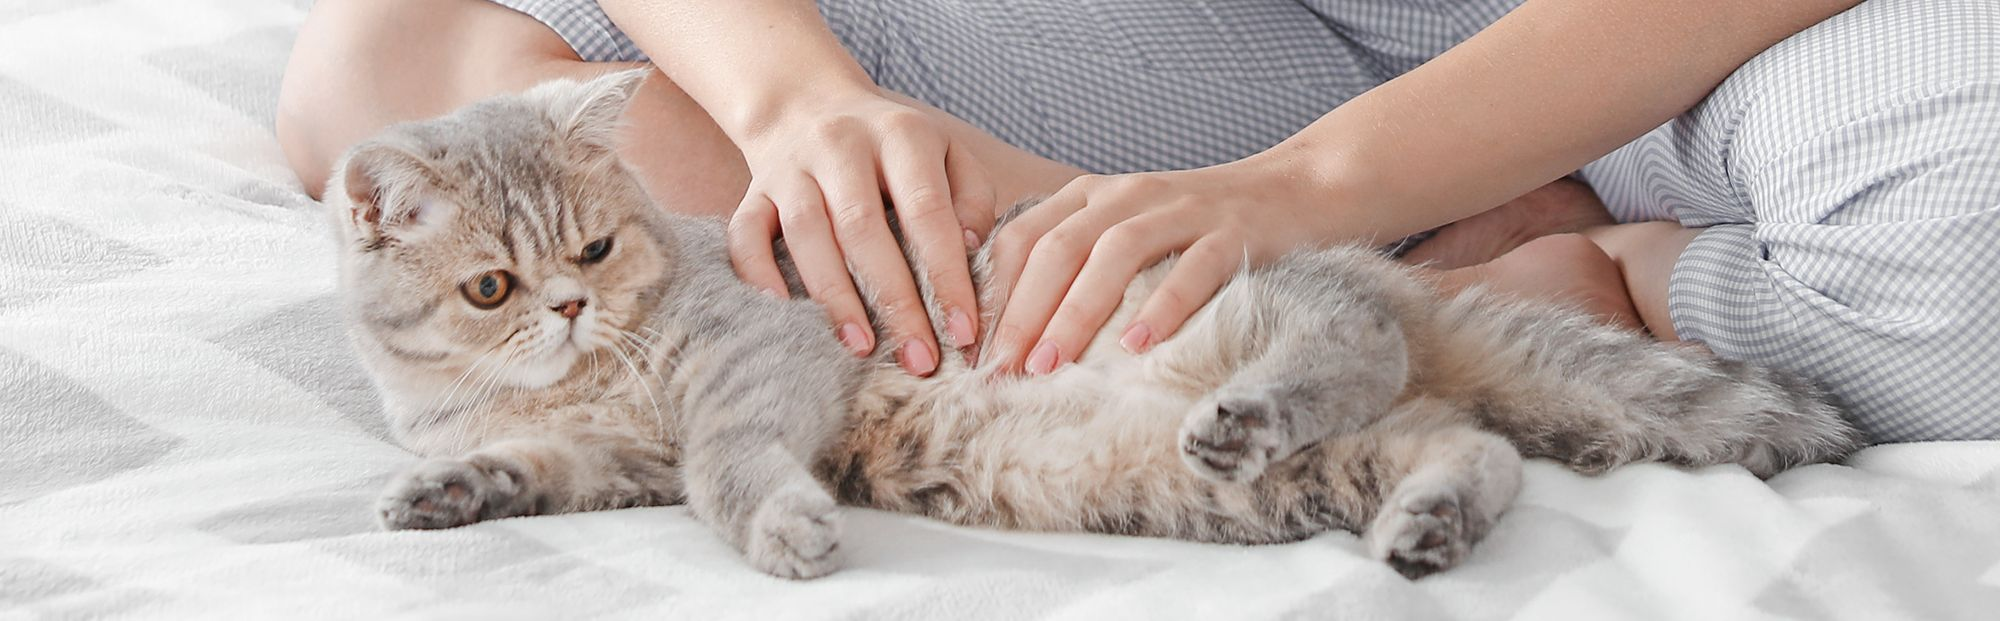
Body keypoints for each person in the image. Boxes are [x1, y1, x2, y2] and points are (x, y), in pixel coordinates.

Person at [277, 0, 2000, 442]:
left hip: (1679, 55)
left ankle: (1566, 267)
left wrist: (1319, 188)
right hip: (1162, 54)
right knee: (395, 78)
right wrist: (798, 100)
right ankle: (1420, 271)